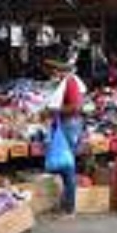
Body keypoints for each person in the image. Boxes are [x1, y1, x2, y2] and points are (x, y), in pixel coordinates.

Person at [44, 57, 87, 217]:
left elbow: (76, 107)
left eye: (52, 71)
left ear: (58, 71)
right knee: (65, 166)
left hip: (70, 125)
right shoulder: (66, 83)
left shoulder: (71, 82)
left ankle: (69, 209)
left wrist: (54, 110)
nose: (51, 74)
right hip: (67, 124)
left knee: (67, 166)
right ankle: (65, 205)